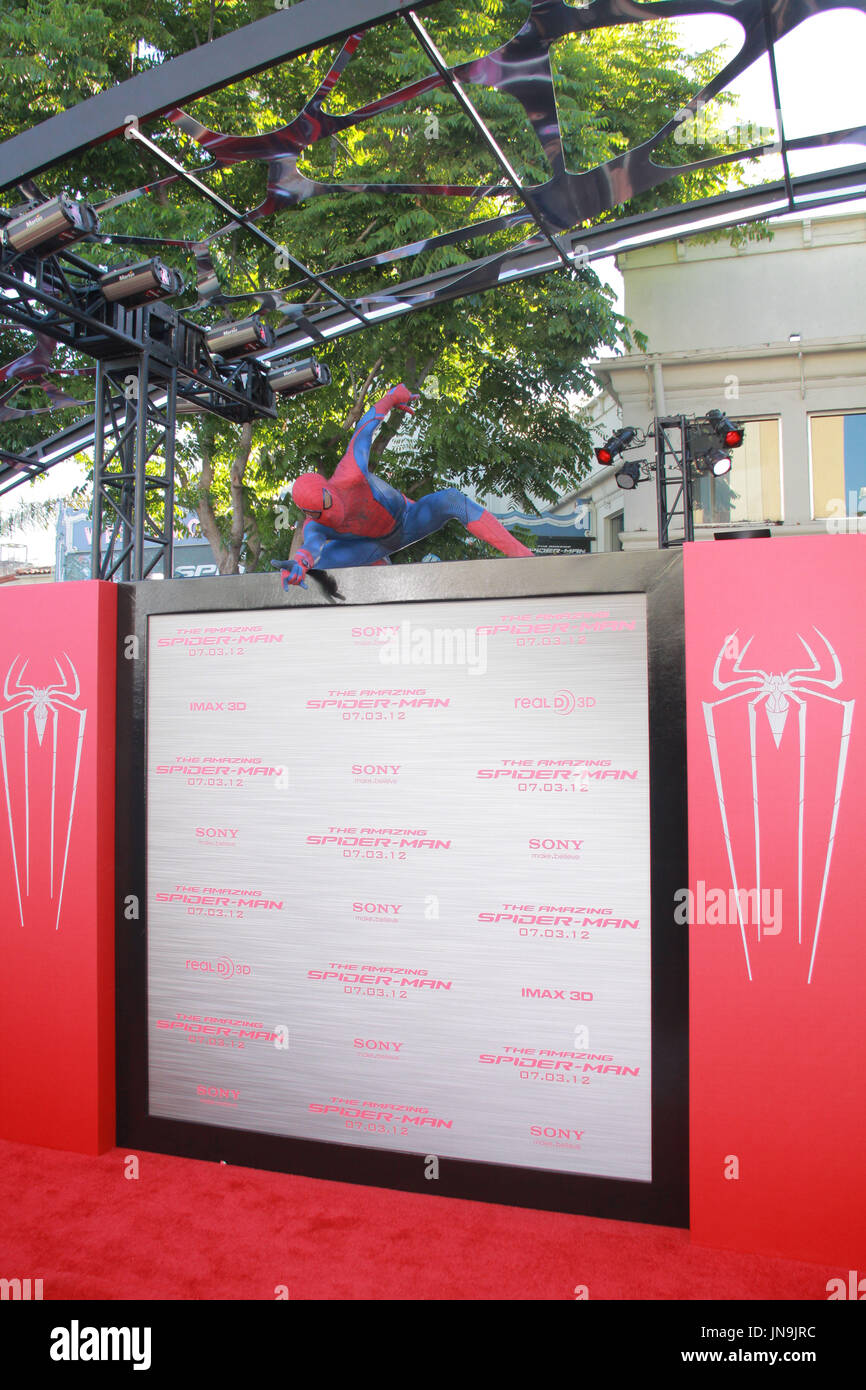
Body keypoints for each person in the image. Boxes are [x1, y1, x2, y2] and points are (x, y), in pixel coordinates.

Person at [272, 383, 532, 588]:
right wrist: (300, 563)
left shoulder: (350, 473)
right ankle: (377, 574)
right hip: (370, 546)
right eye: (317, 513)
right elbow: (311, 547)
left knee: (451, 499)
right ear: (309, 514)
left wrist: (391, 398)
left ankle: (524, 558)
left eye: (326, 504)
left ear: (329, 489)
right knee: (318, 568)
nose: (327, 514)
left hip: (407, 521)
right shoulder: (315, 524)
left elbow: (364, 429)